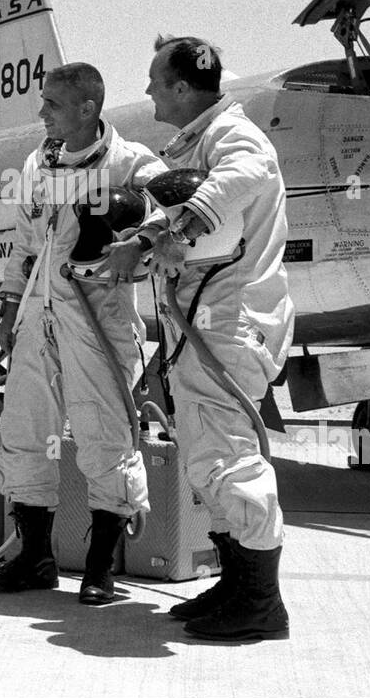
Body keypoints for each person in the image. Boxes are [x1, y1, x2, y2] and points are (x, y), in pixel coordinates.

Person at [106, 35, 295, 640]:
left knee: (230, 460)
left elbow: (247, 174)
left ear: (183, 89)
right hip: (203, 325)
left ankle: (262, 603)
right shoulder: (198, 141)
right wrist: (150, 233)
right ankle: (237, 584)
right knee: (205, 455)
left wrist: (168, 230)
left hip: (231, 322)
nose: (147, 92)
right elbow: (180, 210)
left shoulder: (235, 136)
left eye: (155, 82)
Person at [0, 62, 166, 604]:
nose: (41, 114)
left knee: (104, 436)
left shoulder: (132, 162)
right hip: (38, 314)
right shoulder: (35, 166)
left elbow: (172, 216)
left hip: (100, 317)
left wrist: (135, 222)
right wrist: (8, 310)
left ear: (88, 109)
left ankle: (99, 571)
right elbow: (22, 246)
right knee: (23, 429)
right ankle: (36, 558)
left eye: (53, 105)